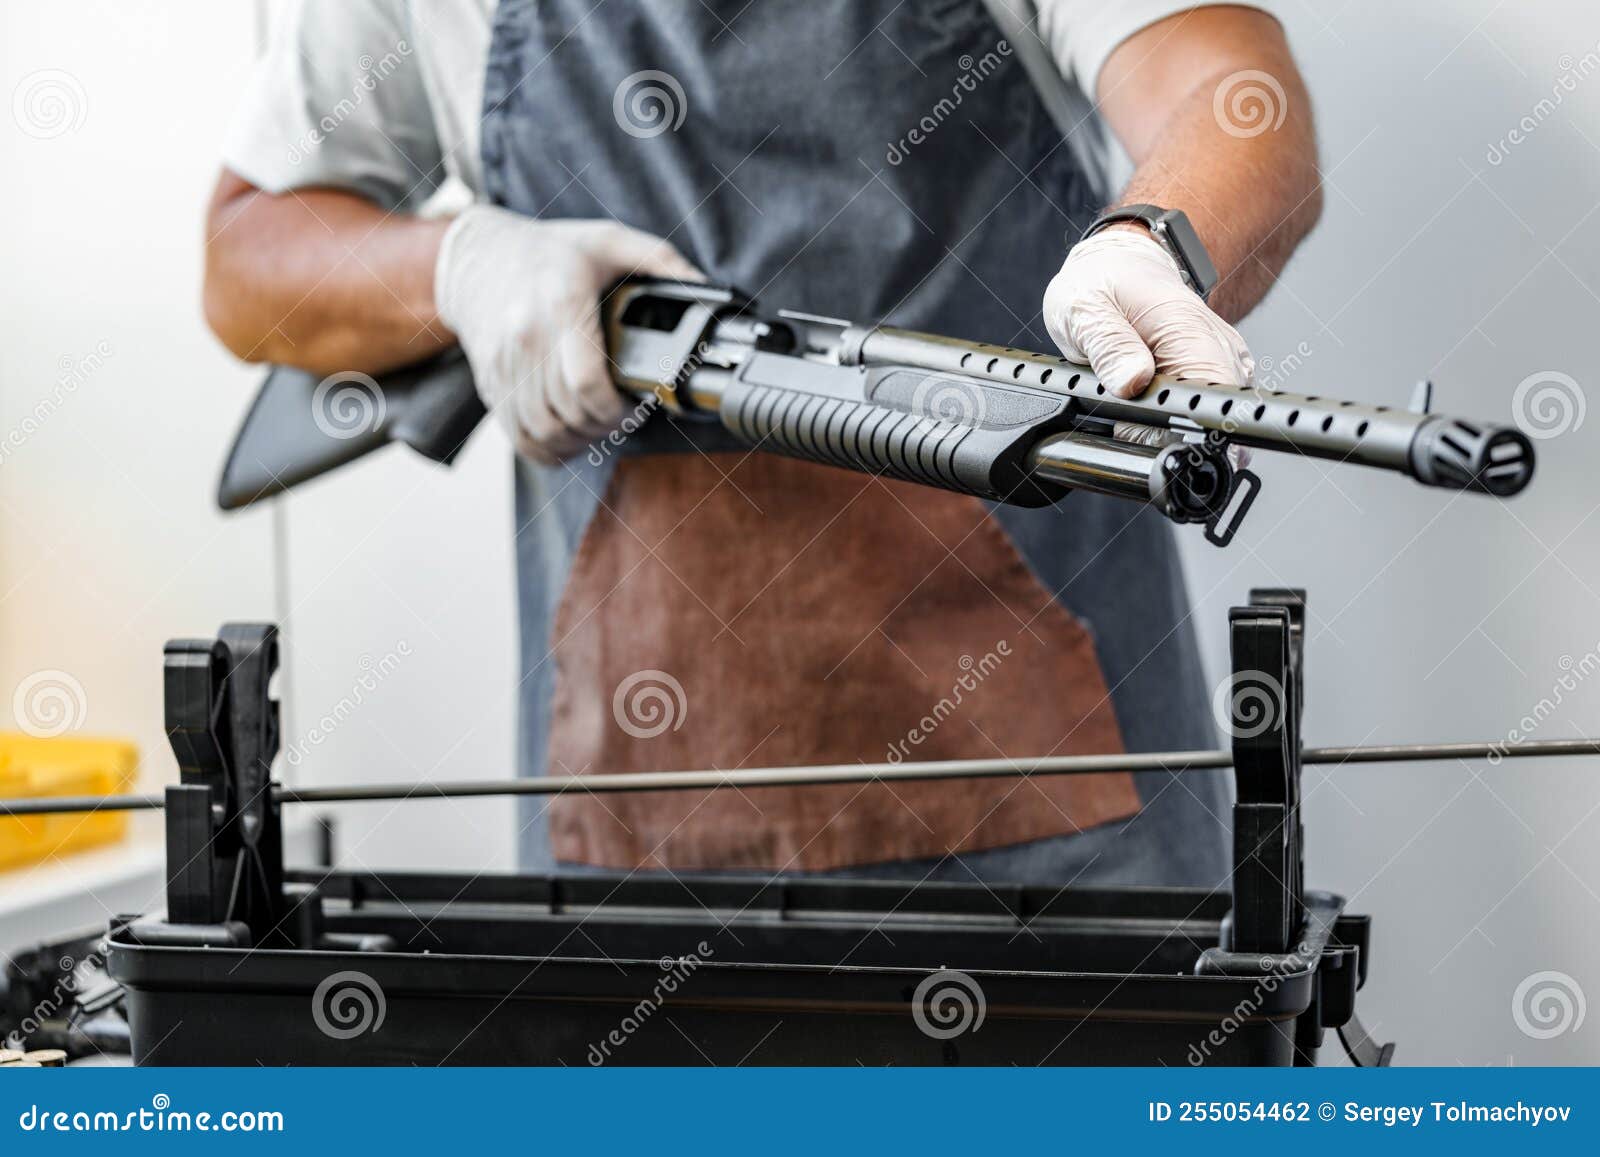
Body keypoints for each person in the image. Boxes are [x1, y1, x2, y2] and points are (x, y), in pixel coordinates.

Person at [204, 0, 1321, 886]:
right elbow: (246, 252)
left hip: (1068, 812)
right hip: (638, 822)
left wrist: (1151, 245)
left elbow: (1231, 91)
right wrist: (458, 268)